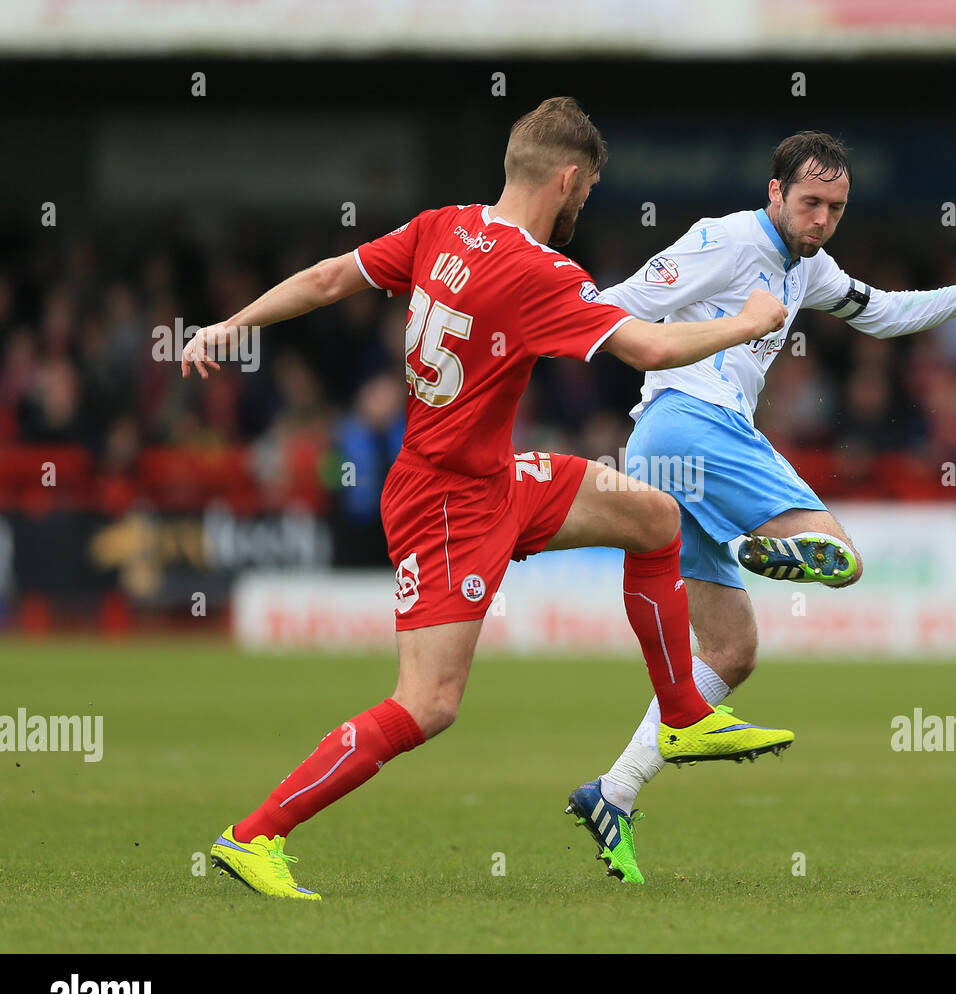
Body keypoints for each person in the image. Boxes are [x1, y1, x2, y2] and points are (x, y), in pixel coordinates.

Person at [179, 97, 792, 899]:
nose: (585, 204)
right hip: (446, 502)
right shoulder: (538, 272)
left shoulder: (443, 226)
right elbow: (647, 344)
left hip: (495, 477)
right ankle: (253, 836)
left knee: (652, 515)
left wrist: (232, 323)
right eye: (588, 190)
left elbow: (332, 276)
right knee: (428, 703)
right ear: (568, 179)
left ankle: (680, 713)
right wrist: (744, 323)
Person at [572, 131, 956, 883]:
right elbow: (616, 304)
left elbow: (885, 313)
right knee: (842, 556)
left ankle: (613, 792)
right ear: (774, 193)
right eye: (810, 203)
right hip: (693, 425)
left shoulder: (812, 266)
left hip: (667, 456)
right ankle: (765, 548)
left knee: (731, 653)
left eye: (835, 207)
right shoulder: (726, 239)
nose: (822, 218)